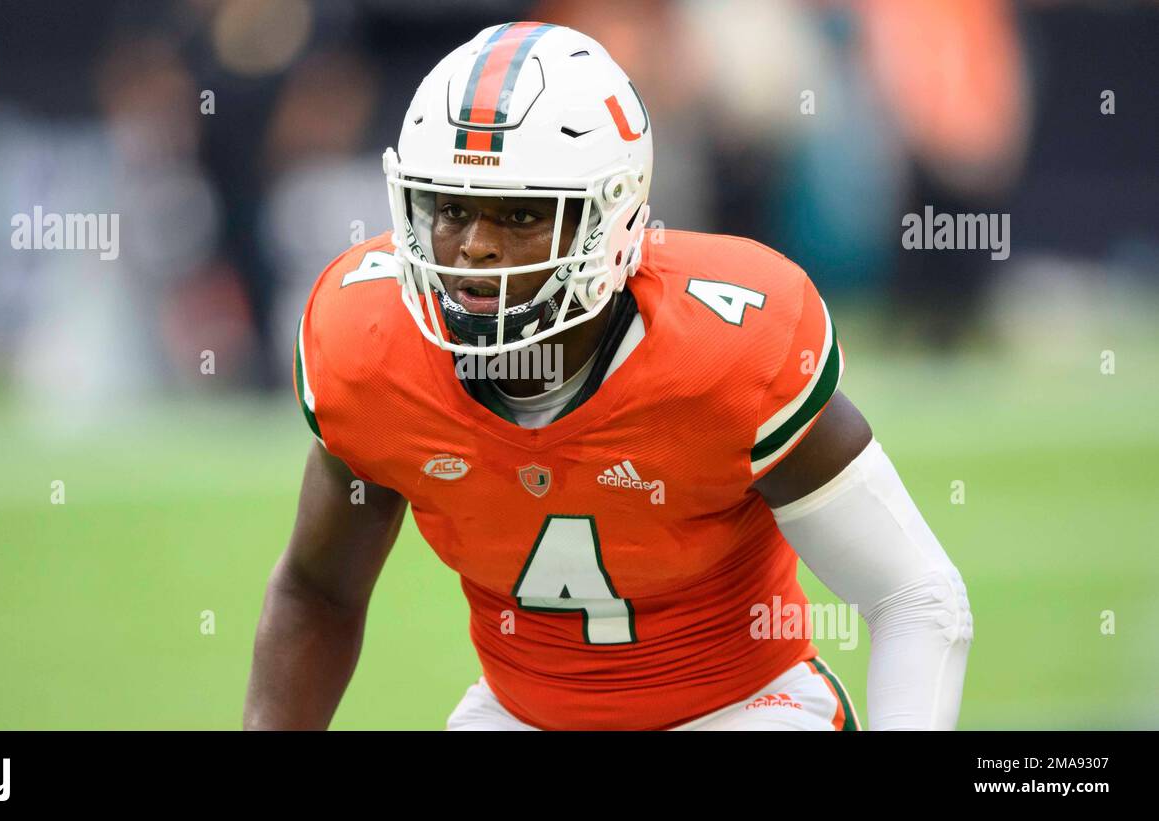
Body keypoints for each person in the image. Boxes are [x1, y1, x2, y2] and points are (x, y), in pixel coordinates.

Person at [244, 21, 972, 731]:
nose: (474, 248)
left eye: (520, 214)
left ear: (611, 218)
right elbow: (318, 591)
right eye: (452, 208)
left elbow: (914, 593)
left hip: (744, 709)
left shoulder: (726, 352)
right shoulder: (370, 348)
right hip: (522, 712)